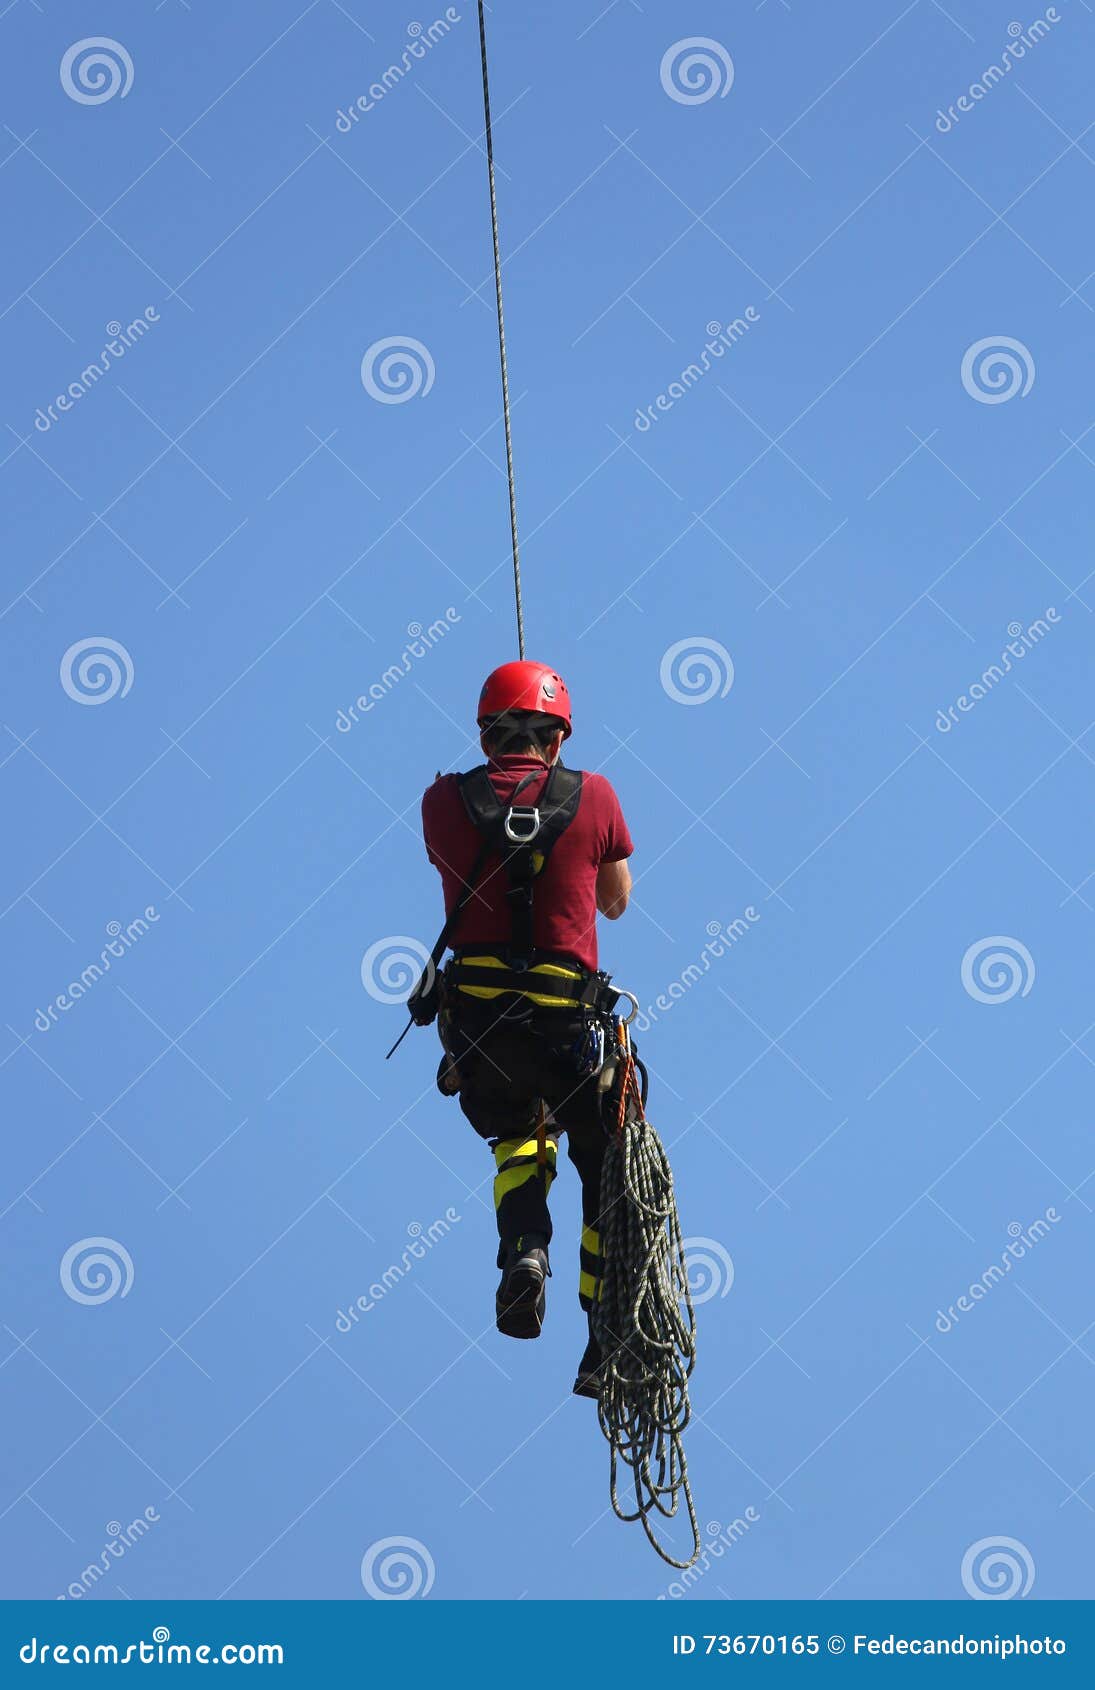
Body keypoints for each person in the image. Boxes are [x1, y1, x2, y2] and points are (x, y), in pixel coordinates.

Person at [420, 660, 633, 1396]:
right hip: (567, 1029)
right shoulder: (594, 795)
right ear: (559, 734)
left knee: (518, 1140)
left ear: (484, 733)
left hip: (481, 1034)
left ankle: (523, 1252)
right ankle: (604, 1335)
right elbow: (614, 903)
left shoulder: (442, 803)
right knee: (603, 1165)